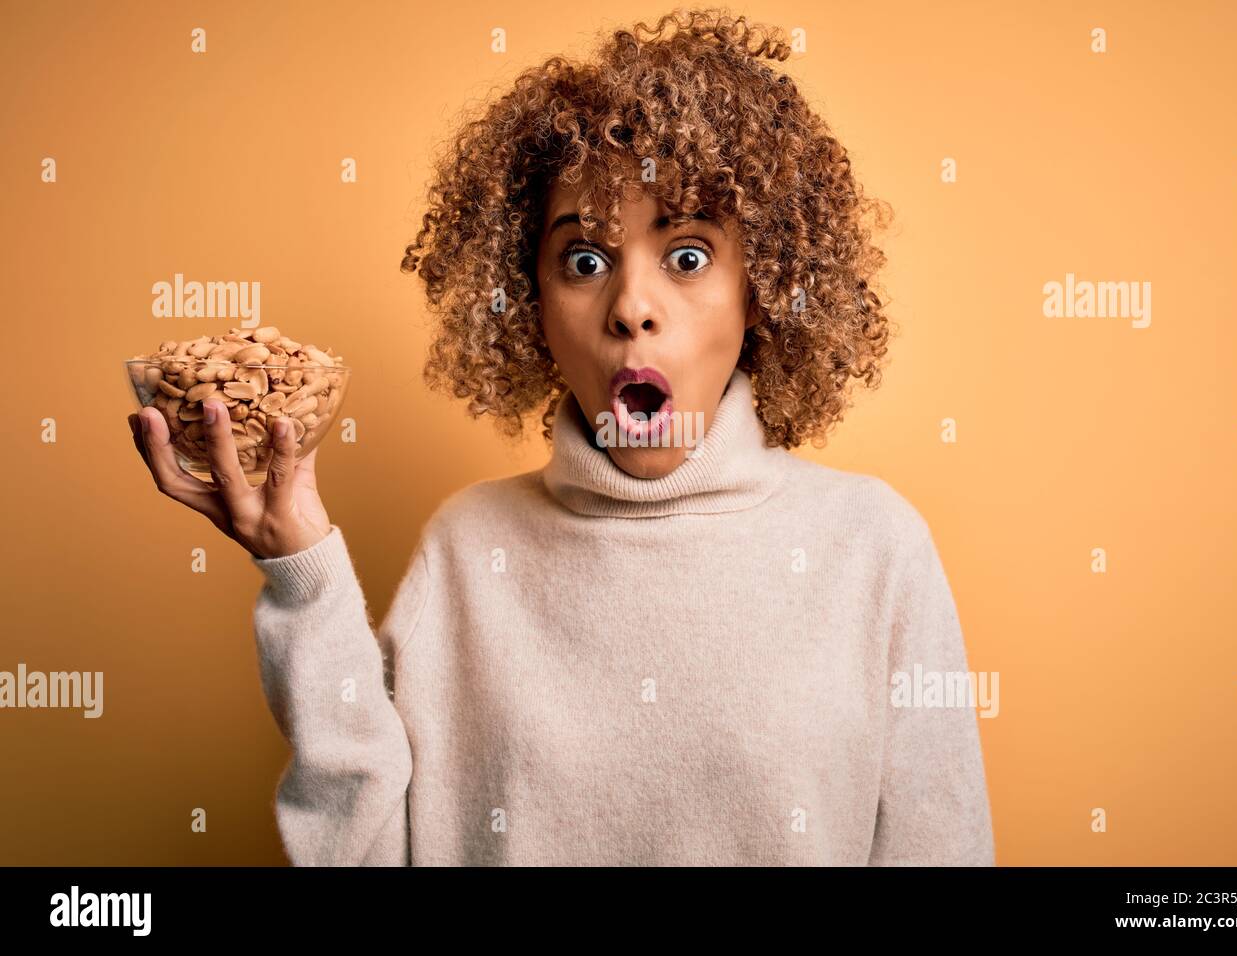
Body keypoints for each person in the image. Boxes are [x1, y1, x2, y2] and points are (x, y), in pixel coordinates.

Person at [127, 7, 994, 866]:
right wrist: (301, 566)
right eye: (584, 260)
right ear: (531, 306)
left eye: (687, 256)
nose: (630, 307)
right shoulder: (467, 552)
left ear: (759, 289)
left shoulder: (872, 549)